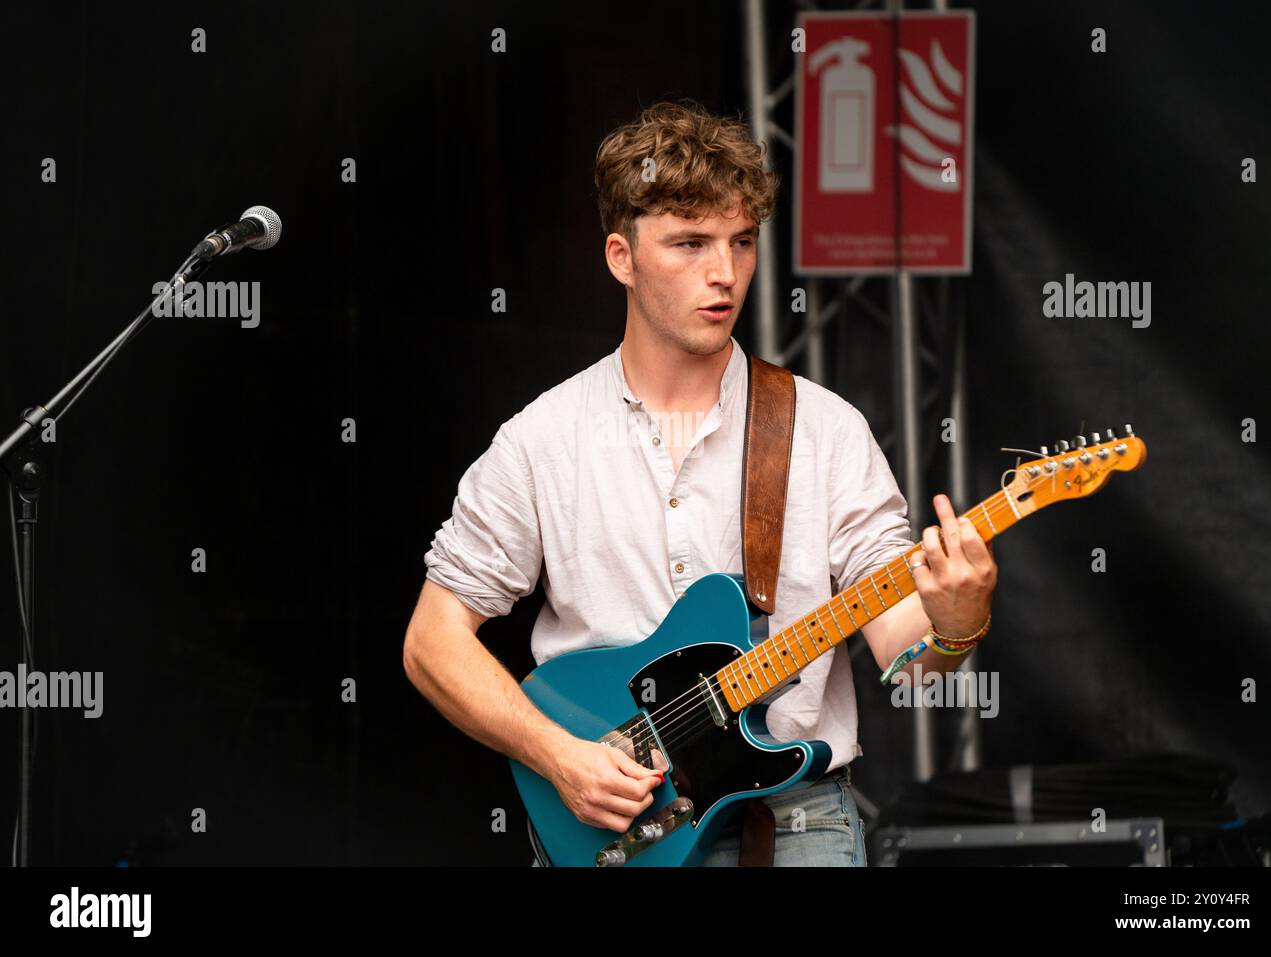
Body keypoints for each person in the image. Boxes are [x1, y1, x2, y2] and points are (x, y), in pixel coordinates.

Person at [402, 100, 997, 866]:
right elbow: (431, 641)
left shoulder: (823, 428)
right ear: (621, 256)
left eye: (741, 242)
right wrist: (558, 755)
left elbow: (905, 662)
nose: (724, 273)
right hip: (612, 827)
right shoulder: (540, 441)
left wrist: (958, 621)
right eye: (690, 244)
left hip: (795, 826)